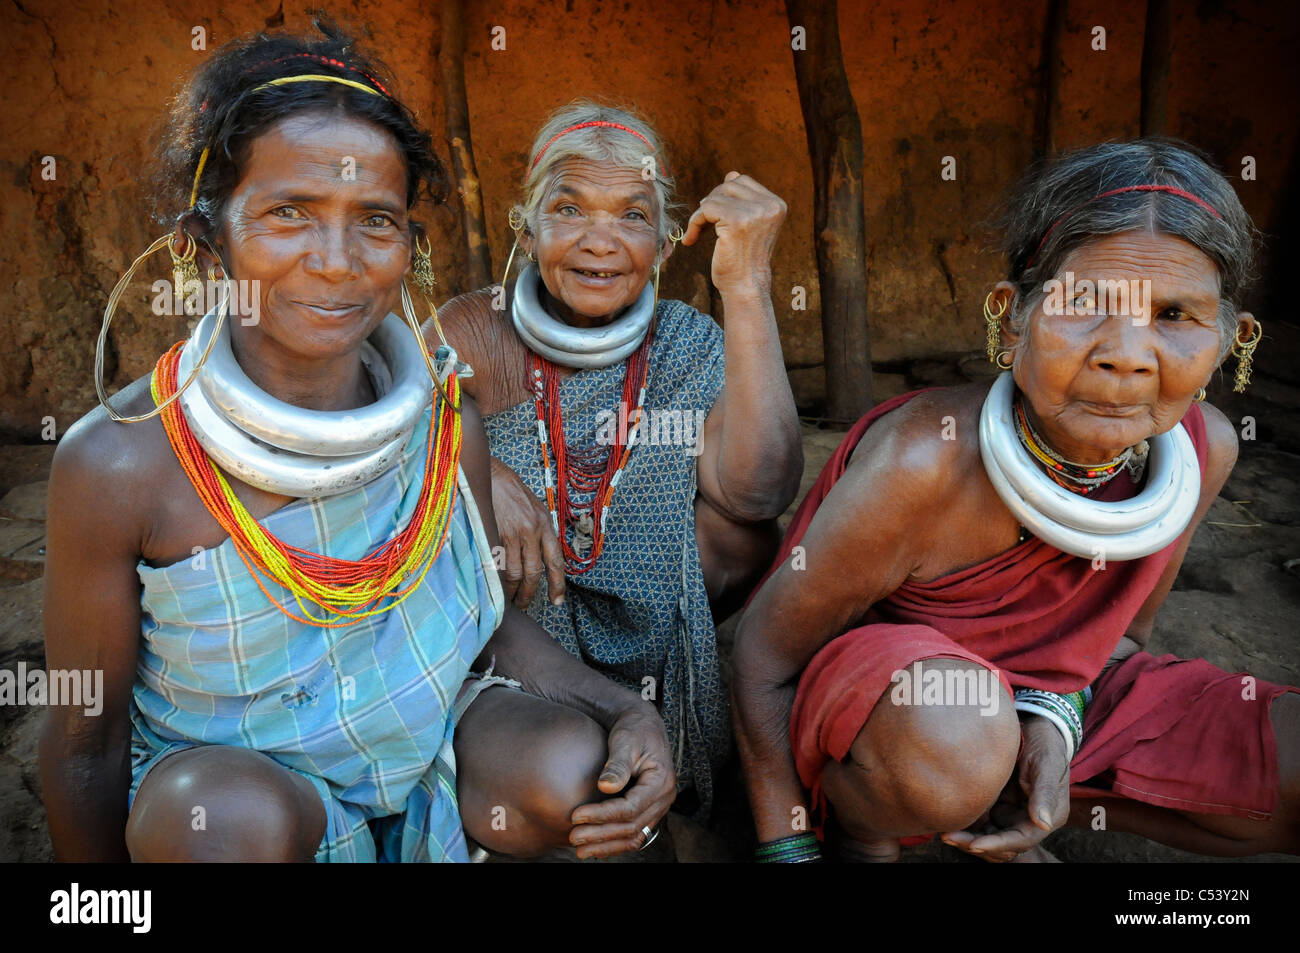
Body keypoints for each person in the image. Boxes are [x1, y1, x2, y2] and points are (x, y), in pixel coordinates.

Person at [39, 22, 675, 863]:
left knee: (576, 774)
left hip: (427, 757)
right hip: (252, 798)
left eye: (375, 219)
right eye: (288, 213)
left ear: (409, 248)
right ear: (206, 238)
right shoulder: (118, 463)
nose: (336, 261)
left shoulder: (446, 422)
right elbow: (86, 740)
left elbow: (480, 621)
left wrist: (626, 709)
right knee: (222, 822)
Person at [733, 139, 1297, 863]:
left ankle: (993, 805)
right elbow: (764, 657)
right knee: (957, 730)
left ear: (1231, 340)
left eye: (1176, 313)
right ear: (1012, 318)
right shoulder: (926, 457)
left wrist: (1050, 730)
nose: (1126, 352)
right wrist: (788, 853)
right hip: (899, 721)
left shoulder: (1202, 448)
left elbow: (1115, 644)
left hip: (1047, 712)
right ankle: (873, 829)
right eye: (1085, 302)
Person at [430, 102, 803, 816]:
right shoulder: (475, 325)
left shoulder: (689, 342)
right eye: (569, 208)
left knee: (746, 534)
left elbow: (759, 492)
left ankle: (651, 693)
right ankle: (532, 710)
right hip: (516, 610)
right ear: (526, 230)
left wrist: (748, 286)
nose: (601, 241)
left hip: (650, 606)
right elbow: (389, 419)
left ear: (664, 247)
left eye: (631, 216)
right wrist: (480, 469)